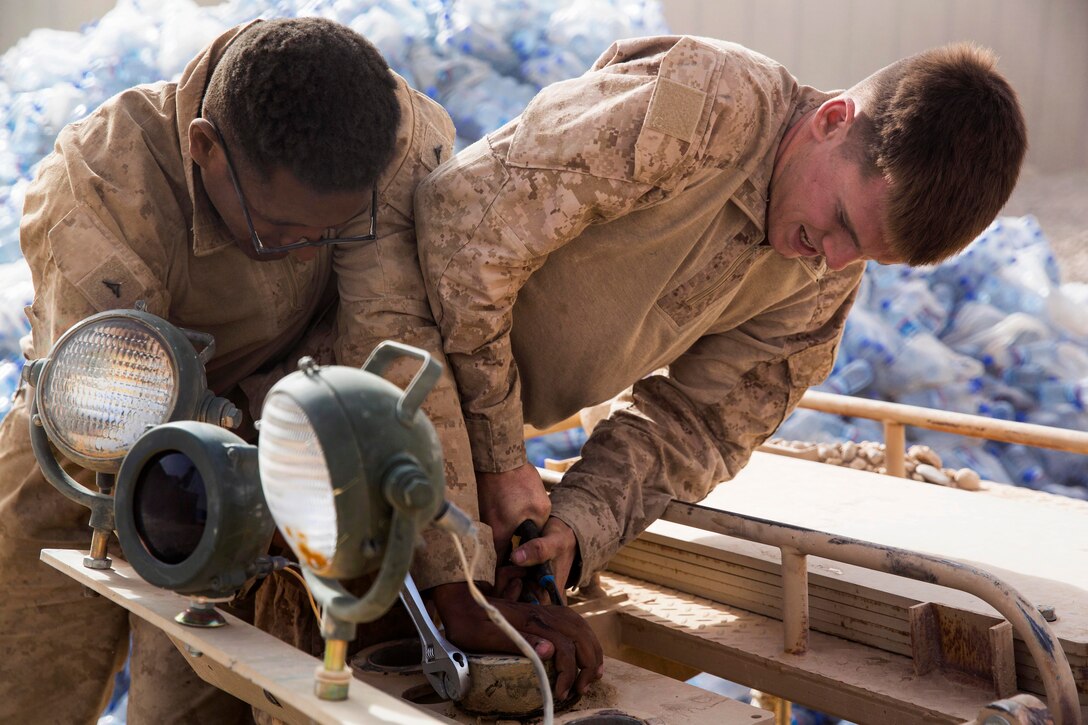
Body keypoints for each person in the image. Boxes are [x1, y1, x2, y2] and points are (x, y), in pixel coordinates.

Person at [0, 17, 599, 724]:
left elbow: (401, 358)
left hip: (273, 419)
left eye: (330, 232)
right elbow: (130, 446)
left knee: (192, 697)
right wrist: (284, 514)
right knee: (26, 686)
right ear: (203, 149)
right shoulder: (103, 180)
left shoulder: (392, 140)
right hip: (94, 433)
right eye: (278, 231)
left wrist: (453, 585)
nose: (301, 251)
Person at [415, 38, 1026, 599]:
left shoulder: (824, 275)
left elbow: (699, 425)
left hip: (482, 407)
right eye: (841, 220)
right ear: (832, 121)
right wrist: (499, 458)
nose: (835, 259)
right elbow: (463, 233)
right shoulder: (701, 108)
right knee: (426, 570)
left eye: (865, 252)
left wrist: (579, 524)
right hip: (402, 326)